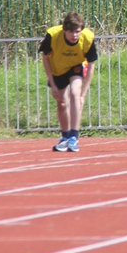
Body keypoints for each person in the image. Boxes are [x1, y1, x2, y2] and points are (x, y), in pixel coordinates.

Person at [39, 12, 97, 153]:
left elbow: (91, 66)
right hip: (58, 69)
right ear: (64, 30)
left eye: (77, 31)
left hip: (76, 66)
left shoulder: (88, 38)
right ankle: (65, 137)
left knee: (75, 93)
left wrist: (83, 93)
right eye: (71, 32)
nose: (74, 35)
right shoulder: (52, 36)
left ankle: (74, 137)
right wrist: (53, 84)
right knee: (62, 102)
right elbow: (45, 59)